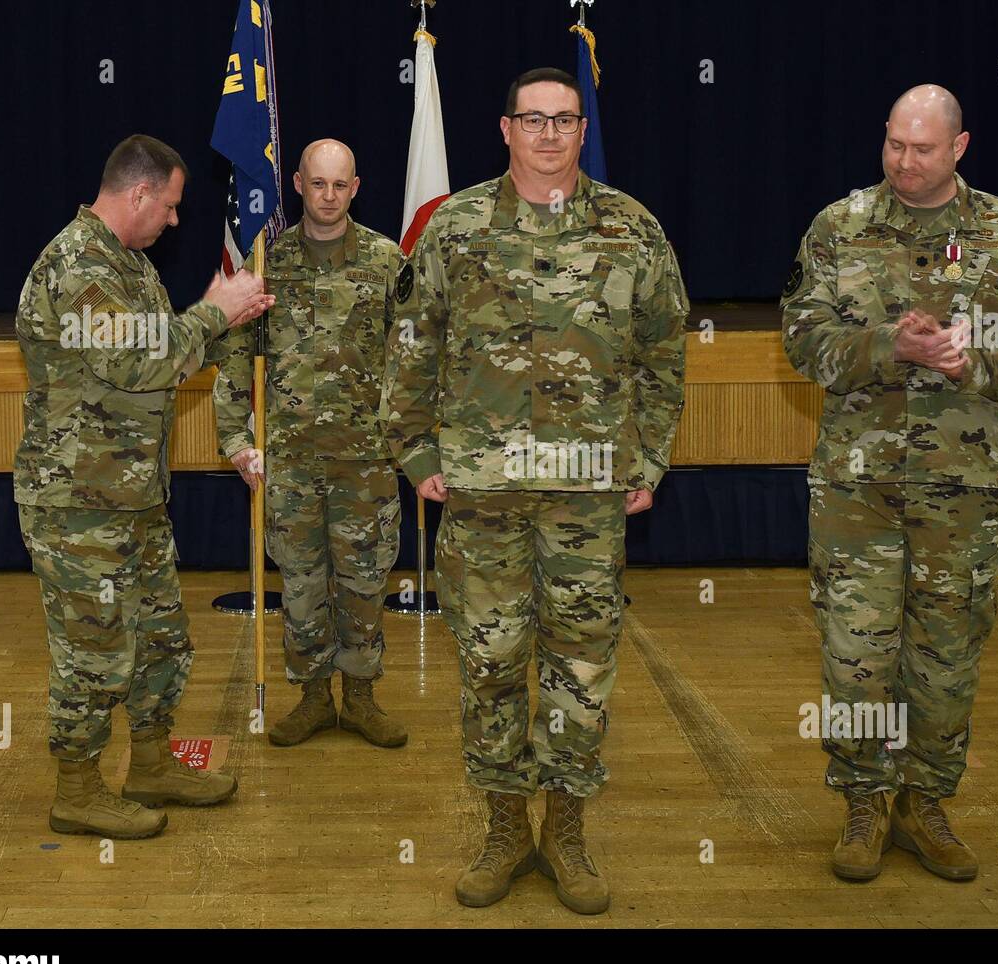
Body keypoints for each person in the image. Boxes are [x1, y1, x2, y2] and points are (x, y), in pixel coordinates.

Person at [385, 68, 689, 914]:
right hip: (483, 493)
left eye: (564, 120)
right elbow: (410, 342)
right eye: (534, 119)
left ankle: (566, 829)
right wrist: (414, 451)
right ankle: (504, 826)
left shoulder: (631, 229)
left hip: (589, 498)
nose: (549, 133)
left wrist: (651, 460)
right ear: (506, 128)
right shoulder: (456, 229)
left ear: (582, 129)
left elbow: (666, 353)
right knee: (489, 663)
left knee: (580, 666)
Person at [781, 85, 998, 882]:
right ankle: (865, 802)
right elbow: (802, 340)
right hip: (857, 488)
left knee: (946, 657)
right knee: (856, 656)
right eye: (895, 146)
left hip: (961, 491)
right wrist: (887, 346)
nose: (906, 163)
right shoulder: (838, 227)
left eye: (924, 149)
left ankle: (926, 802)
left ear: (959, 148)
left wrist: (970, 359)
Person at [14, 134, 272, 839]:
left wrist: (236, 319)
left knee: (160, 638)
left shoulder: (128, 266)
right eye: (171, 205)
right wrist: (216, 310)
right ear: (137, 195)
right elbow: (136, 363)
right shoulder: (76, 265)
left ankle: (152, 762)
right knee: (93, 652)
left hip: (132, 499)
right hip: (77, 505)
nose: (176, 220)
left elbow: (168, 353)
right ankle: (76, 788)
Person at [215, 139, 407, 750]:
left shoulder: (386, 261)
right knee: (299, 583)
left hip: (366, 462)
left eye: (339, 185)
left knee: (365, 582)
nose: (327, 196)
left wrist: (417, 442)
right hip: (291, 462)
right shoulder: (265, 260)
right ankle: (312, 697)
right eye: (316, 184)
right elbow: (233, 359)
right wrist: (239, 443)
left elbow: (415, 358)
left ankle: (362, 697)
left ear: (356, 187)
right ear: (297, 183)